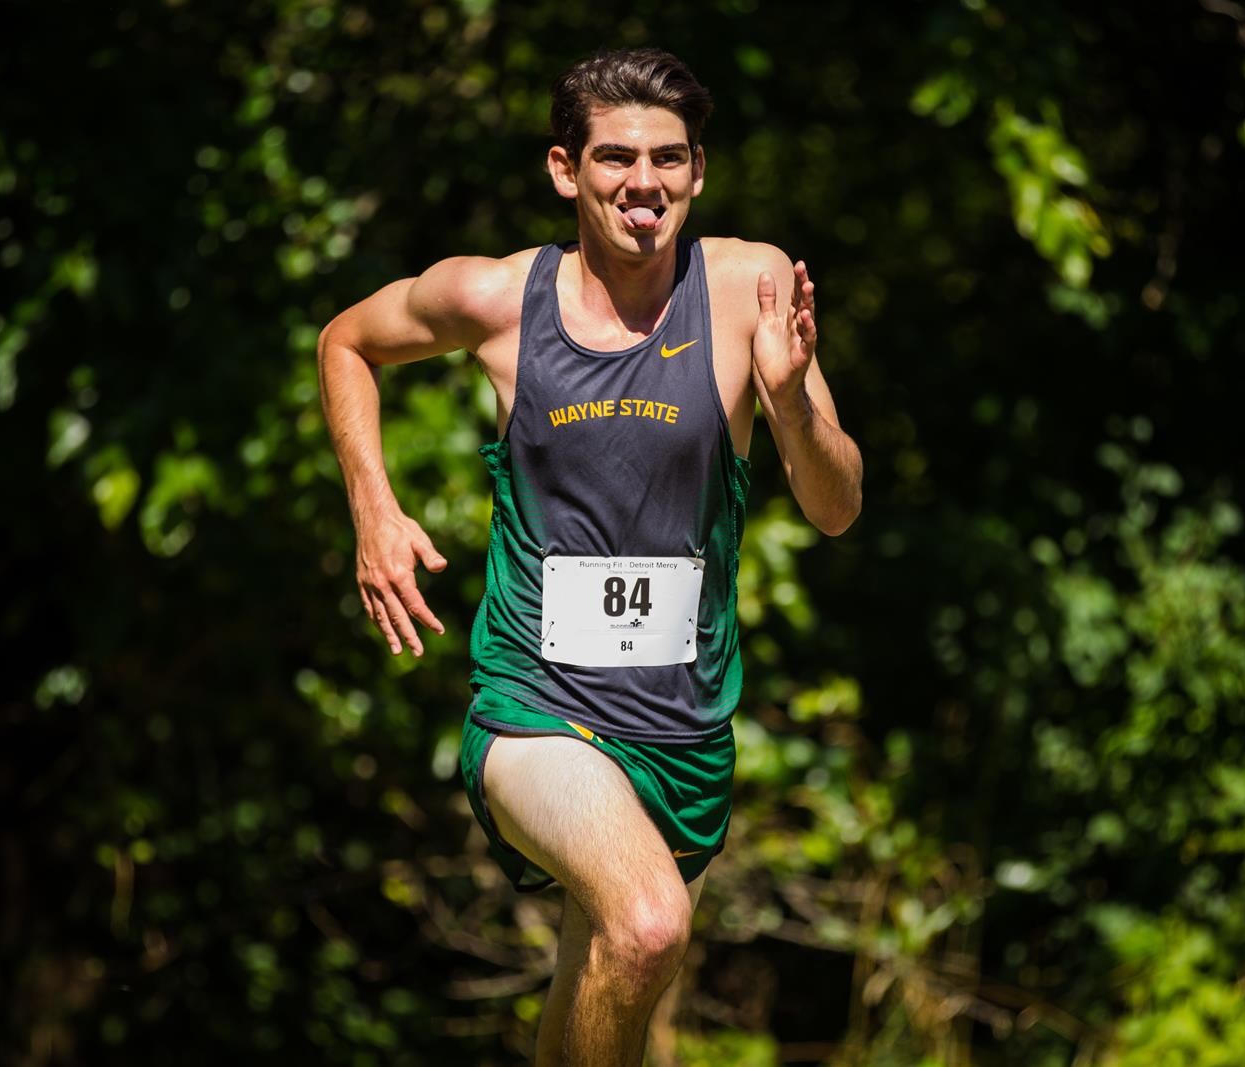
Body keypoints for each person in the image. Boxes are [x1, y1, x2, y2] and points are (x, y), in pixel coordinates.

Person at [317, 47, 862, 1067]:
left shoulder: (747, 285)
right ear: (566, 170)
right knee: (649, 920)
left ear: (698, 170)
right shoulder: (496, 299)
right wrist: (373, 510)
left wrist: (789, 400)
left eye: (668, 160)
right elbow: (345, 340)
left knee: (600, 990)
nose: (643, 185)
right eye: (616, 159)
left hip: (684, 730)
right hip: (535, 710)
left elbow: (835, 508)